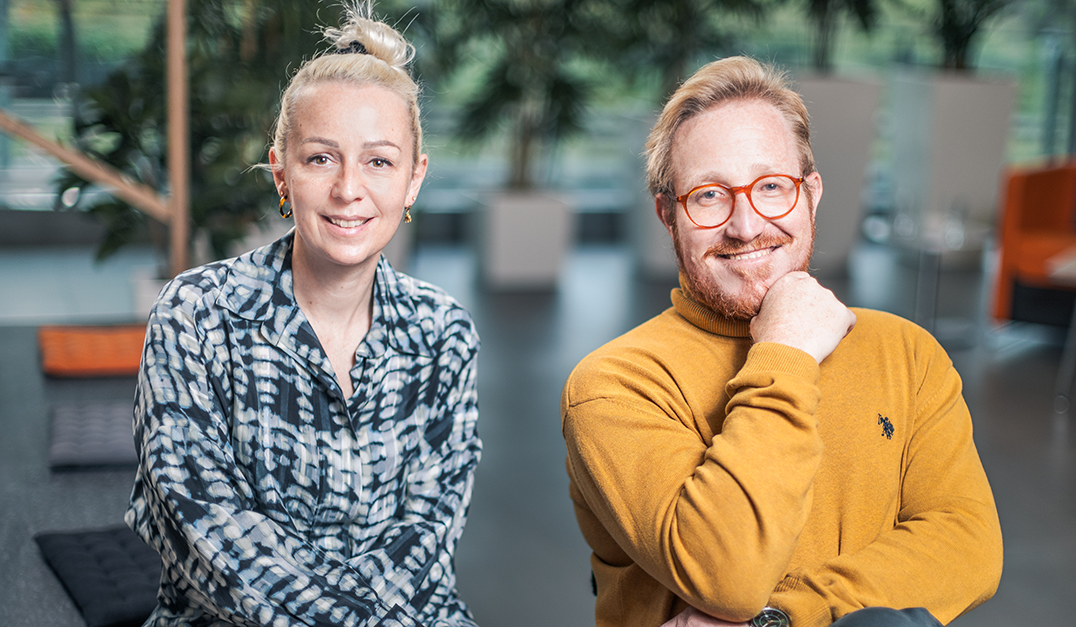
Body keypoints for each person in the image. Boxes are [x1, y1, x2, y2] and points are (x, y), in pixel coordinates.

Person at [560, 57, 1002, 627]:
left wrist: (783, 617)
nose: (746, 226)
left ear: (811, 195)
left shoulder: (906, 353)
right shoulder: (614, 386)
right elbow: (728, 577)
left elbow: (969, 545)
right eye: (709, 195)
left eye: (771, 187)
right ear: (668, 216)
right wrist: (787, 350)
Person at [126, 4, 480, 626]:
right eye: (321, 158)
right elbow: (211, 539)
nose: (349, 189)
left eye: (379, 161)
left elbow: (429, 534)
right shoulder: (195, 317)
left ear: (414, 179)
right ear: (281, 173)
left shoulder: (443, 333)